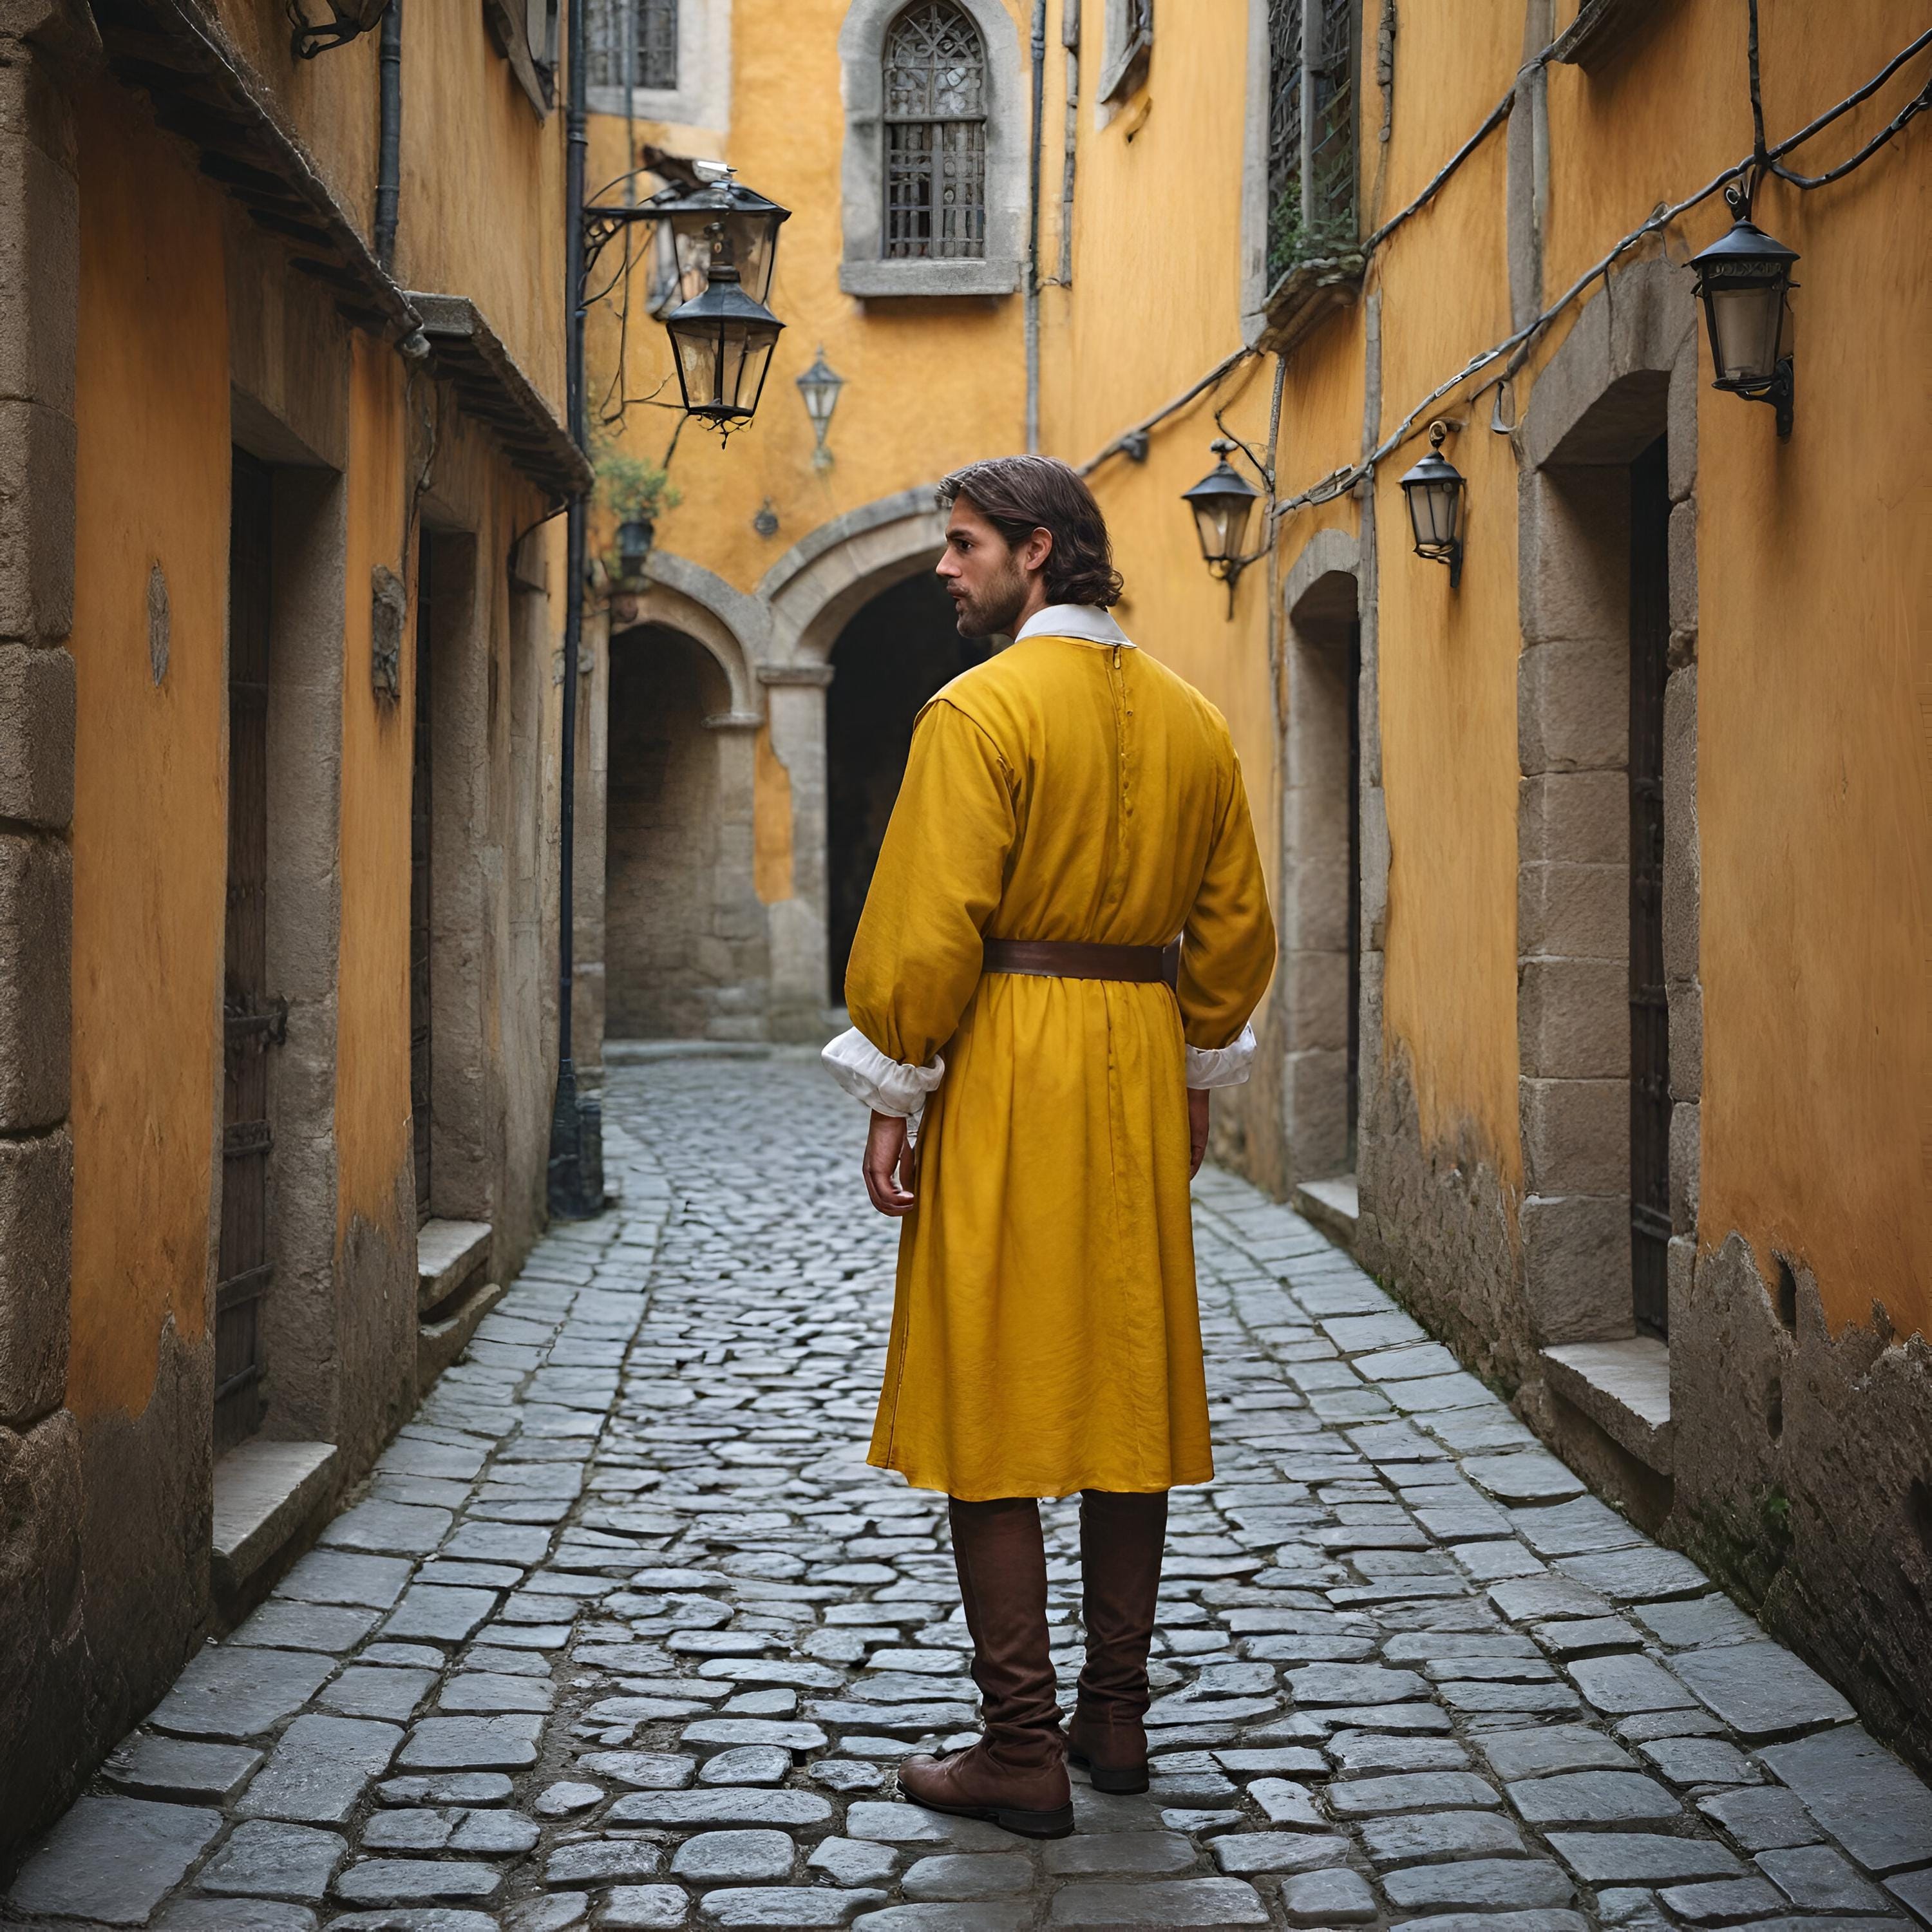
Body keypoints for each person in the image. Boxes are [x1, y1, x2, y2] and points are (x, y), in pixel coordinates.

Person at [821, 455, 1276, 1839]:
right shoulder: (1197, 719)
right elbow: (1240, 929)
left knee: (994, 1388)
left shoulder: (978, 710)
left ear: (1037, 550)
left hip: (1015, 1059)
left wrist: (898, 1085)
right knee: (1127, 1372)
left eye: (961, 547)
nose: (944, 571)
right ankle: (1116, 1719)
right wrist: (1191, 1064)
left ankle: (1022, 1748)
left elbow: (925, 924)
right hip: (1136, 1061)